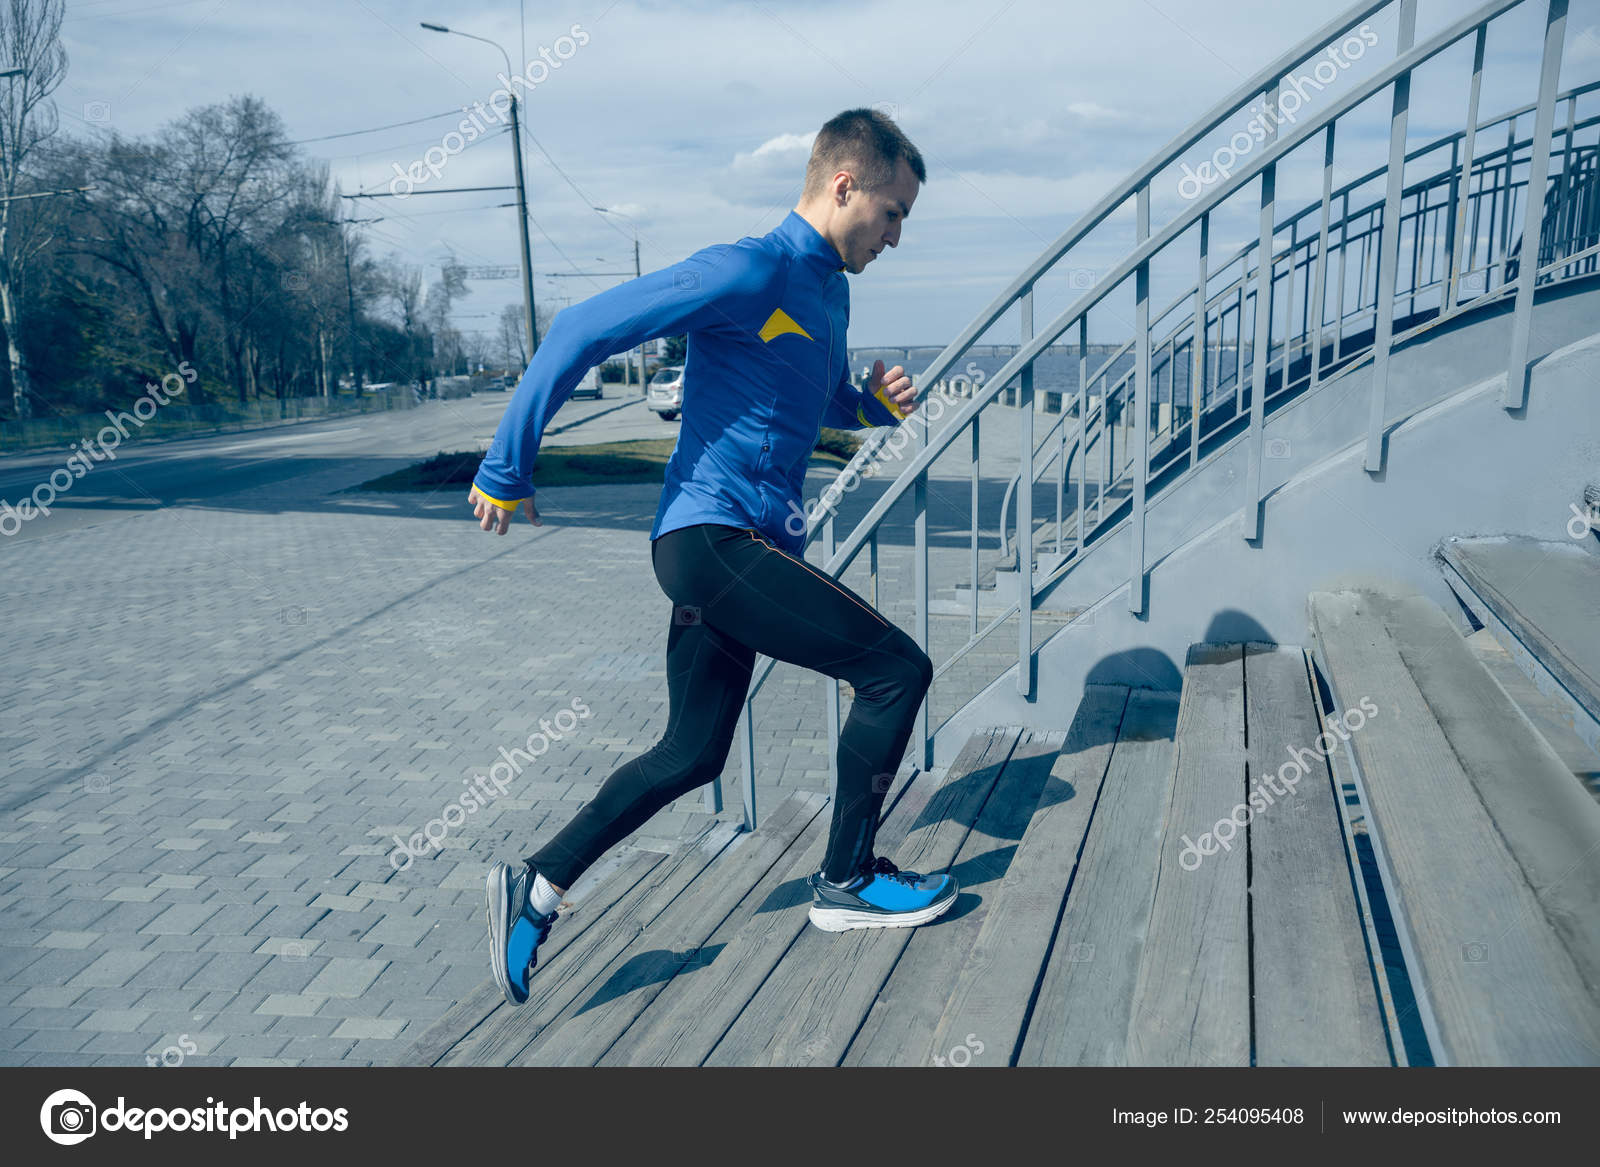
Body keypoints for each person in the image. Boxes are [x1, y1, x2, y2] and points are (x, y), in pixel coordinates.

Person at [467, 108, 957, 1007]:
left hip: (734, 551)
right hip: (712, 540)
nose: (896, 235)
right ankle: (847, 879)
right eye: (892, 212)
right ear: (844, 184)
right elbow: (580, 327)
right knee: (896, 671)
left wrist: (869, 406)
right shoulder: (748, 268)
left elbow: (812, 403)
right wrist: (506, 467)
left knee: (691, 751)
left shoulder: (830, 293)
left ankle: (534, 885)